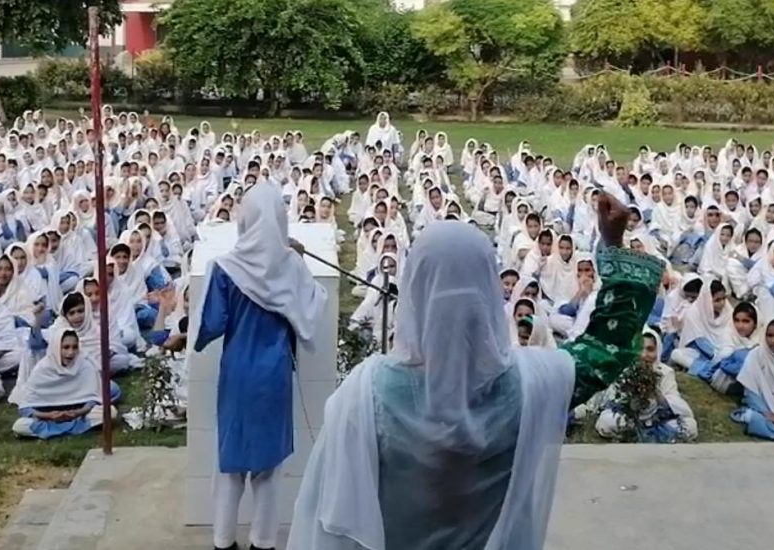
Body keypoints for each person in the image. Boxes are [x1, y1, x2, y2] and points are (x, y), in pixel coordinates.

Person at [290, 197, 660, 550]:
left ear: (415, 288)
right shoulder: (531, 384)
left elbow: (328, 520)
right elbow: (606, 348)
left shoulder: (367, 393)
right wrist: (612, 241)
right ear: (488, 288)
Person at [197, 179, 330, 550]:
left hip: (238, 373)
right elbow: (310, 307)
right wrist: (296, 259)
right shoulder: (290, 265)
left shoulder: (226, 268)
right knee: (269, 468)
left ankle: (223, 541)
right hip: (274, 376)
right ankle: (264, 541)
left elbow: (211, 325)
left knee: (230, 463)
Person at [580, 327, 698, 443]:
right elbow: (612, 402)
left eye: (650, 349)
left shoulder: (665, 372)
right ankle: (636, 435)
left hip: (657, 421)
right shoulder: (623, 370)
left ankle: (645, 437)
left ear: (658, 351)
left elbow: (676, 402)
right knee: (607, 422)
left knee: (690, 426)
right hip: (629, 420)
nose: (643, 355)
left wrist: (657, 396)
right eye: (639, 349)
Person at [12, 325, 114, 439]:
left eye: (74, 347)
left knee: (110, 412)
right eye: (65, 347)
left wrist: (78, 412)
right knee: (19, 425)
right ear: (56, 348)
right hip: (48, 419)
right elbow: (26, 408)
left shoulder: (85, 366)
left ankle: (64, 428)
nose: (70, 352)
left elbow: (93, 400)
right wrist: (49, 415)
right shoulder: (42, 369)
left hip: (78, 416)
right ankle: (56, 428)